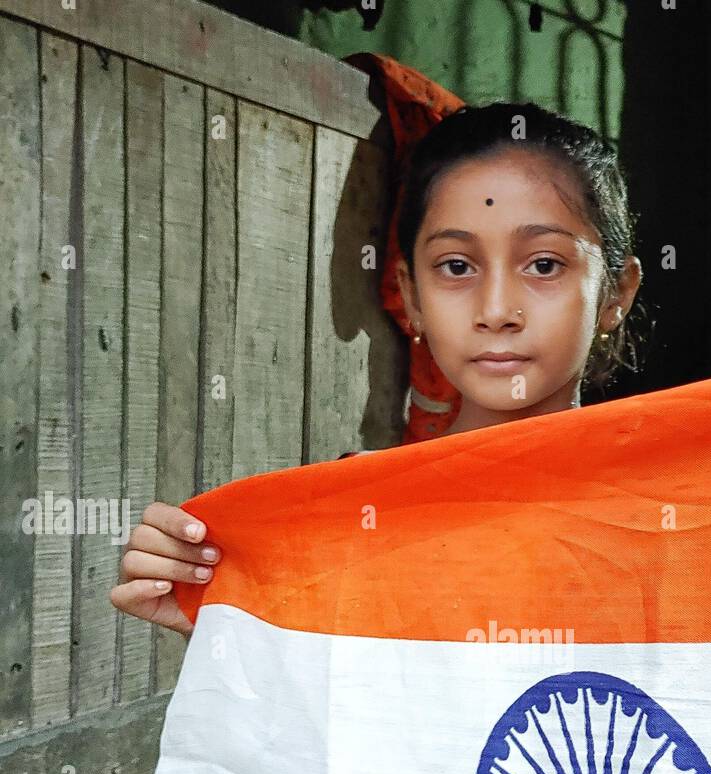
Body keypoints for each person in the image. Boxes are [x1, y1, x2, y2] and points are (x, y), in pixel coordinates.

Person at [108, 102, 645, 639]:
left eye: (544, 264)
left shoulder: (673, 513)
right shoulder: (351, 510)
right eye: (456, 267)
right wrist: (226, 623)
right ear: (411, 296)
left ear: (615, 293)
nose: (497, 310)